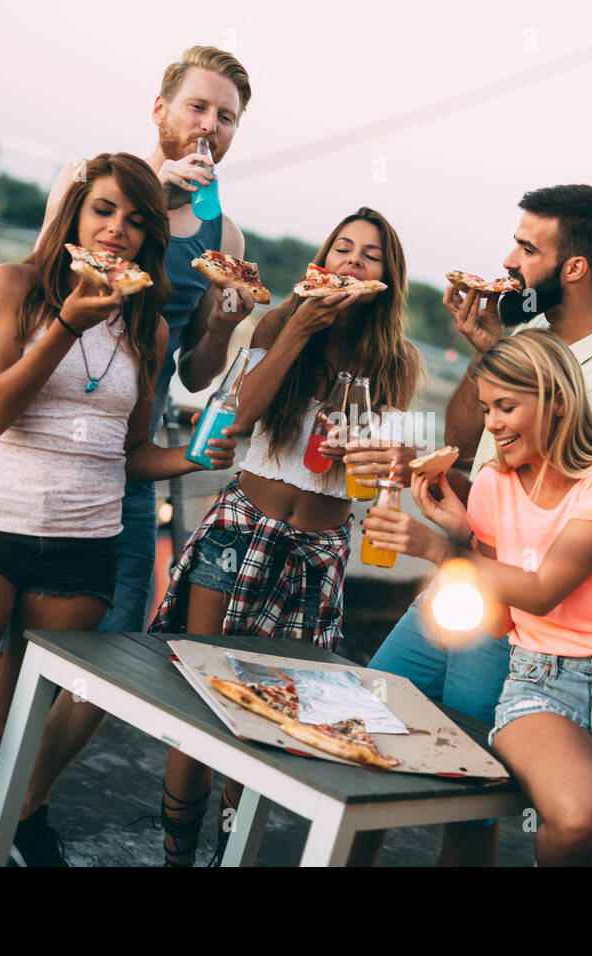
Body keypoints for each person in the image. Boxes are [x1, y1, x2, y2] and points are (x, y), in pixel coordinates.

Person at [0, 153, 237, 866]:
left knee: (1, 750)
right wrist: (66, 322)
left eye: (134, 220)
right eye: (103, 210)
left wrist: (196, 458)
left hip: (85, 552)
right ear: (74, 213)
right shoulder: (15, 285)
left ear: (152, 237)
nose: (116, 229)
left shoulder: (146, 327)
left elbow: (130, 452)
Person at [0, 46, 256, 865]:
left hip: (130, 460)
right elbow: (47, 284)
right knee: (3, 656)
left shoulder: (226, 232)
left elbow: (192, 369)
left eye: (226, 117)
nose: (208, 127)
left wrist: (222, 320)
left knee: (110, 660)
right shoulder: (94, 183)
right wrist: (151, 193)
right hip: (43, 447)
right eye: (197, 108)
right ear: (161, 111)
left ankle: (20, 804)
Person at [352, 183, 592, 865]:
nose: (509, 260)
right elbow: (467, 454)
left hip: (515, 624)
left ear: (574, 267)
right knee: (366, 742)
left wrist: (440, 527)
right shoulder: (529, 336)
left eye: (527, 247)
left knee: (469, 799)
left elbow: (537, 536)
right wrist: (489, 350)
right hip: (457, 587)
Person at [150, 206, 424, 865]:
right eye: (343, 248)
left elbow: (386, 467)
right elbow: (236, 418)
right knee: (201, 704)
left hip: (320, 550)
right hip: (241, 528)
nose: (353, 261)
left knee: (274, 717)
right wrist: (299, 325)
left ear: (388, 276)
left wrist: (389, 461)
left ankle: (231, 847)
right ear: (321, 261)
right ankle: (175, 857)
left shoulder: (398, 362)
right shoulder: (280, 321)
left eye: (370, 254)